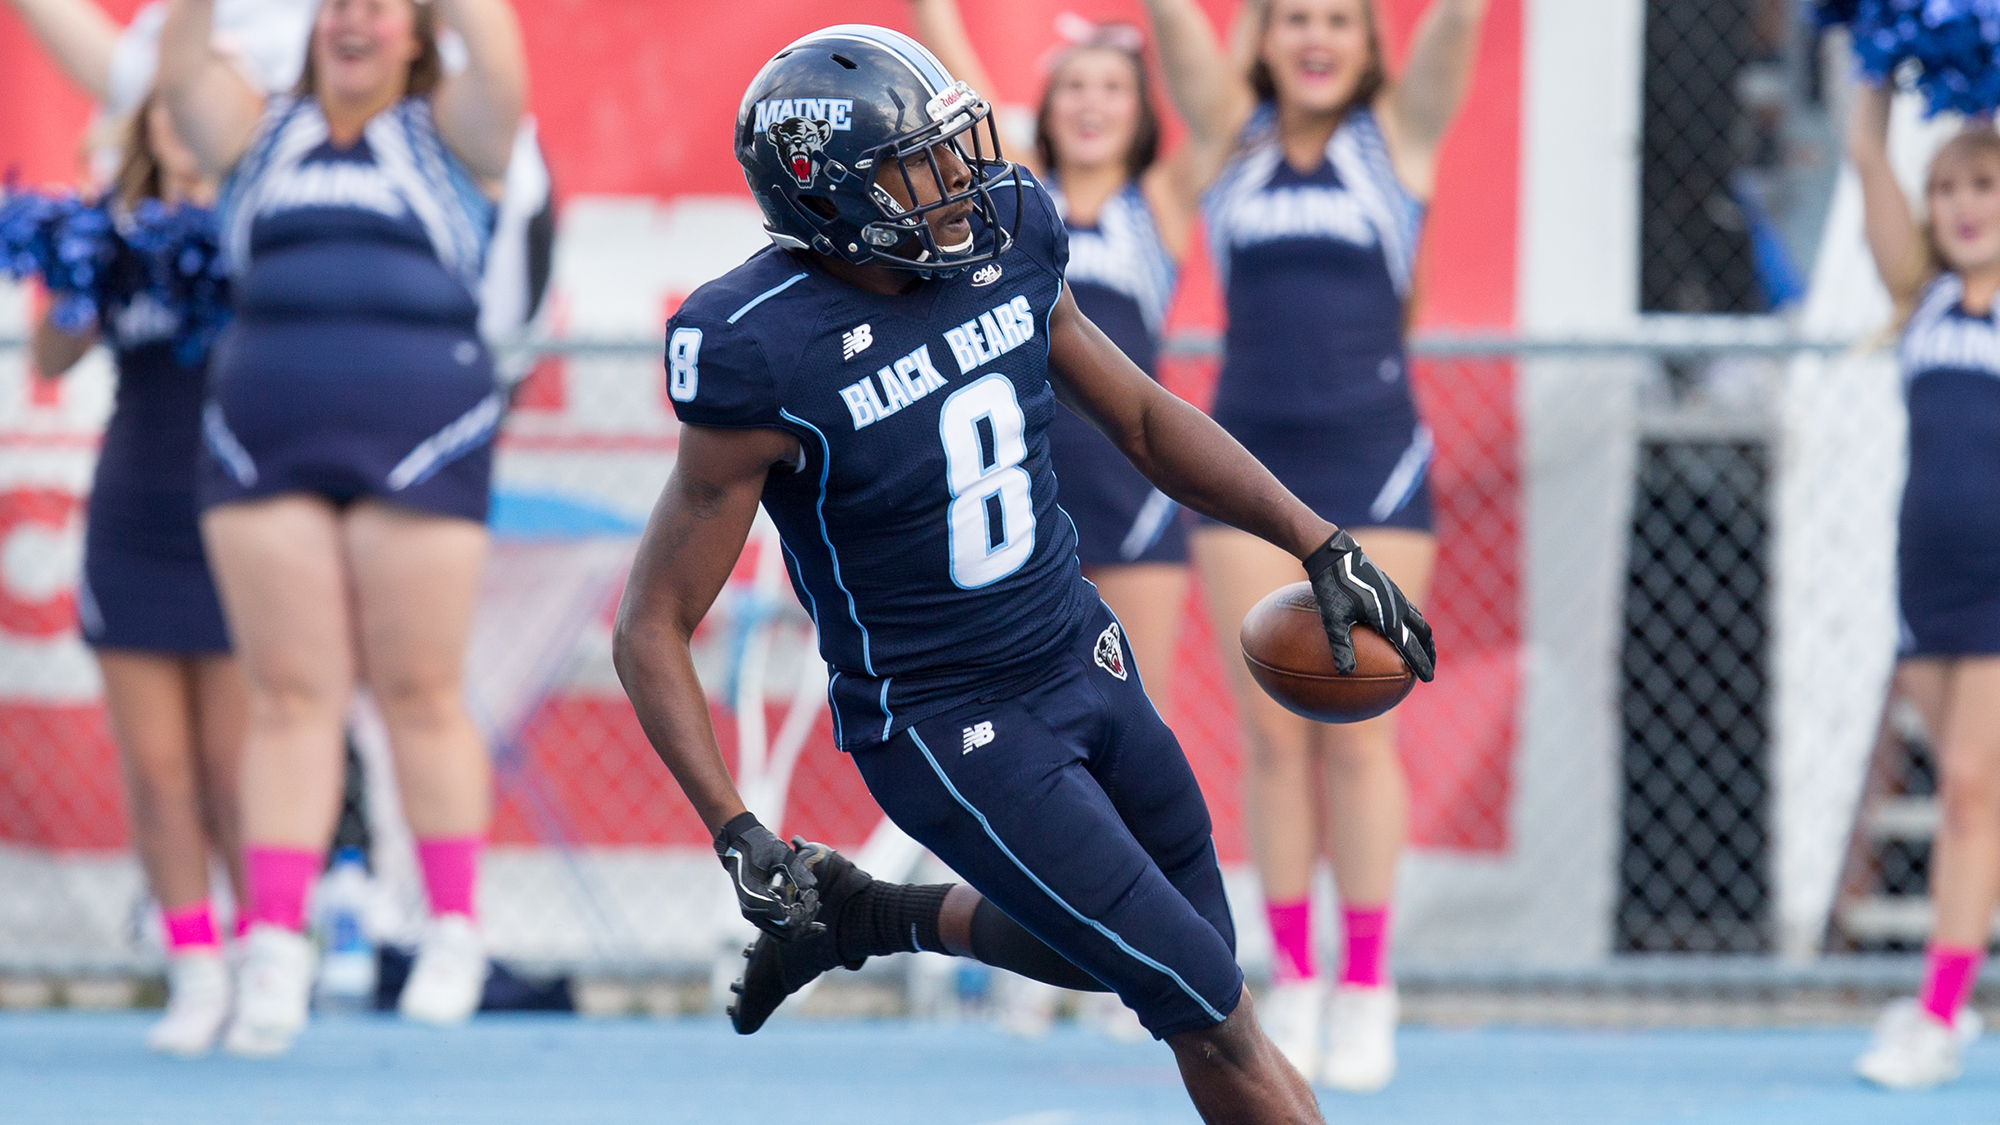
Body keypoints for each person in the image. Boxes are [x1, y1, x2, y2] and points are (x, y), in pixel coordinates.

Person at [612, 26, 1433, 1125]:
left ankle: (865, 917)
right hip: (944, 717)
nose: (960, 181)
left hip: (1076, 650)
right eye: (922, 163)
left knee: (1170, 956)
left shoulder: (1004, 238)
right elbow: (652, 624)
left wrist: (1316, 539)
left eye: (956, 149)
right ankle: (858, 917)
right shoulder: (763, 348)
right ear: (829, 196)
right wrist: (733, 827)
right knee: (1208, 1006)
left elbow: (1140, 416)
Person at [157, 0, 525, 1055]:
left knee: (417, 692)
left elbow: (498, 50)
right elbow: (180, 62)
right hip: (263, 446)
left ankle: (452, 927)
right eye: (338, 5)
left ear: (417, 35)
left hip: (421, 440)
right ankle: (276, 943)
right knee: (288, 700)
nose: (354, 20)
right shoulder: (257, 132)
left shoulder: (454, 134)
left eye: (380, 7)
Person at [1139, 0, 1486, 1090]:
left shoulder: (1399, 142)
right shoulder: (1227, 140)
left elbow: (1457, 23)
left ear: (1370, 41)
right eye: (1292, 18)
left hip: (1371, 468)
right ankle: (1291, 971)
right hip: (1245, 464)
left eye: (1338, 17)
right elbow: (1174, 29)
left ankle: (1367, 981)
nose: (1315, 36)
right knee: (1274, 727)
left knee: (1360, 725)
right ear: (1261, 38)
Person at [3, 0, 246, 1059]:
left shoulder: (263, 231)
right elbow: (51, 361)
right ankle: (192, 965)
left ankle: (261, 953)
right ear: (142, 124)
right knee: (157, 770)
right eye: (163, 113)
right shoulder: (111, 240)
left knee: (237, 769)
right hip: (135, 519)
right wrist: (88, 256)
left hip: (245, 530)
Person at [905, 0, 1193, 699]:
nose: (1091, 104)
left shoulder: (1160, 203)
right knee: (1022, 719)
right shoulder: (1020, 194)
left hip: (1132, 495)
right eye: (1074, 86)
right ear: (1045, 106)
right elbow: (958, 91)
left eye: (1113, 87)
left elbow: (1219, 105)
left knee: (1135, 720)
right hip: (1018, 485)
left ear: (1144, 110)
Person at [1847, 80, 2000, 1091]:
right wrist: (1866, 63)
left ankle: (1940, 1009)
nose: (1959, 204)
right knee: (1970, 799)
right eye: (1943, 185)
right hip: (1927, 585)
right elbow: (1864, 158)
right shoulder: (1922, 299)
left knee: (1963, 795)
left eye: (1982, 183)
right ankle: (1949, 991)